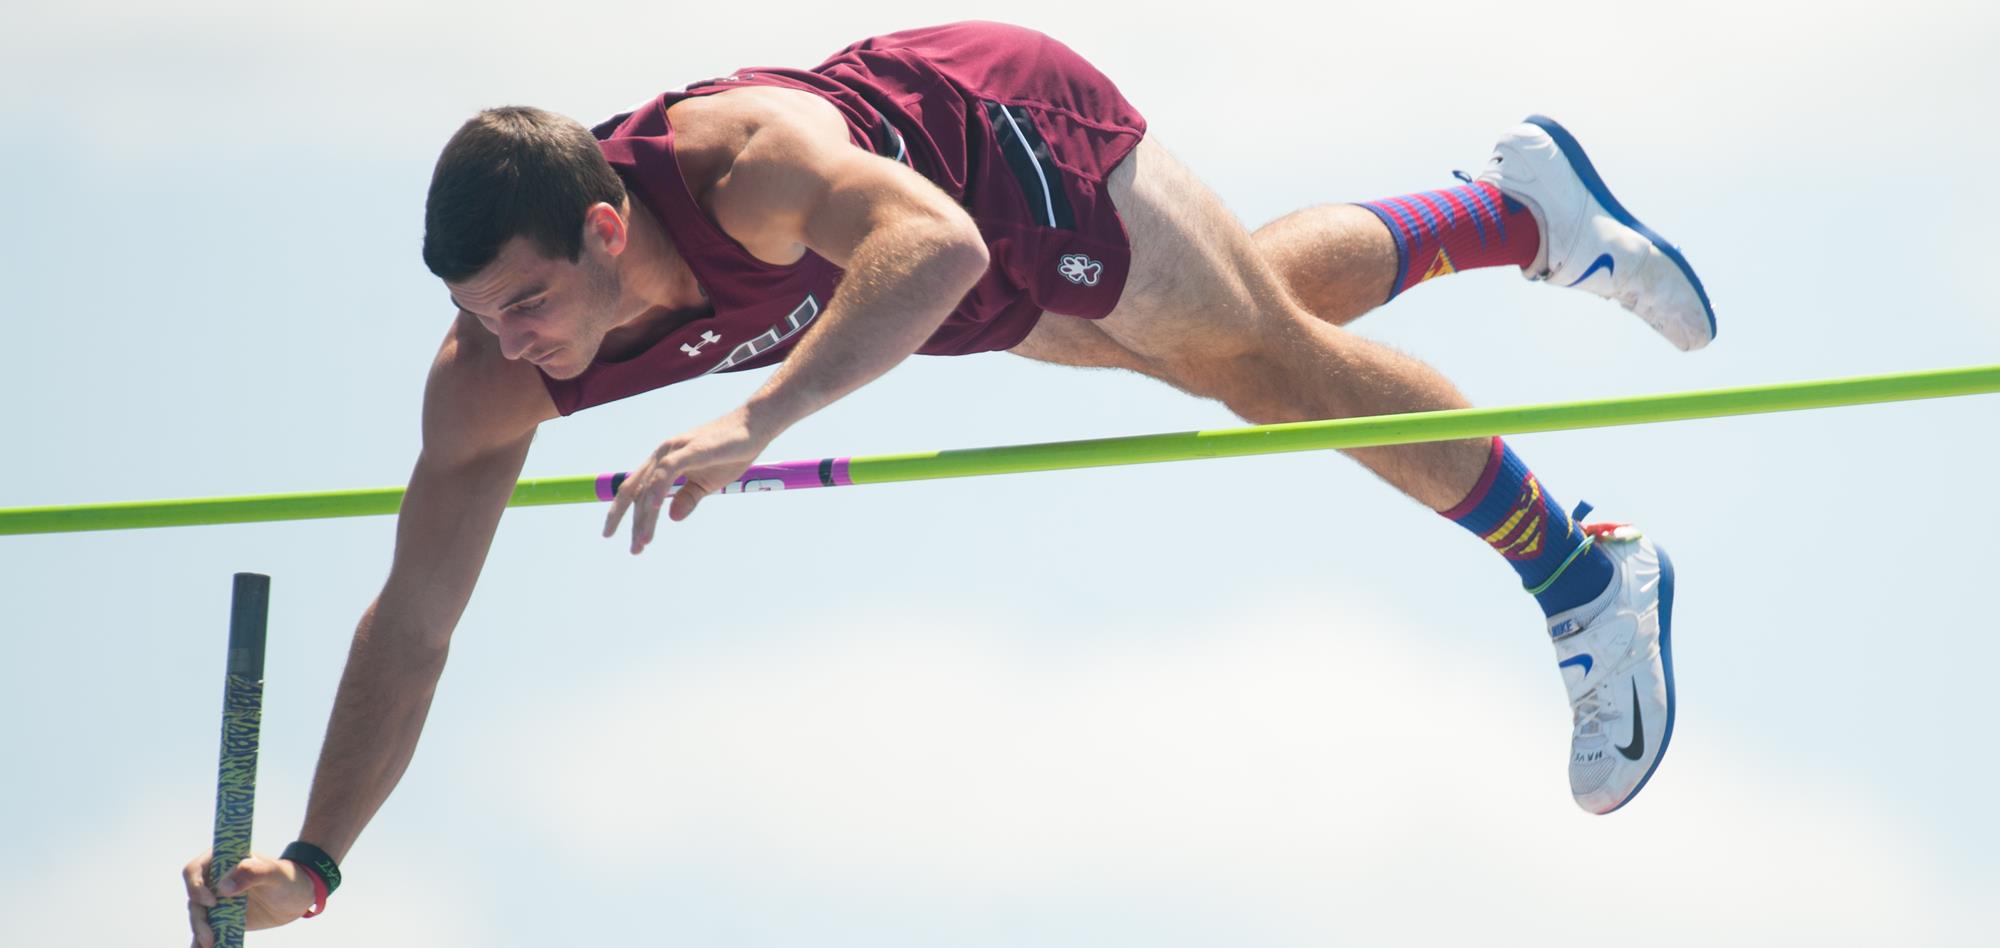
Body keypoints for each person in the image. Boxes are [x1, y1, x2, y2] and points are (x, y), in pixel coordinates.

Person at [182, 20, 1710, 944]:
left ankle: (1581, 567)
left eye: (524, 305)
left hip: (993, 149)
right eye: (476, 317)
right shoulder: (484, 382)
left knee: (1262, 372)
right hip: (911, 268)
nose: (510, 346)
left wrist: (759, 420)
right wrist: (318, 863)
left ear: (599, 228)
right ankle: (1510, 212)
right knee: (1216, 340)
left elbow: (936, 249)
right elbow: (417, 620)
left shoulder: (749, 170)